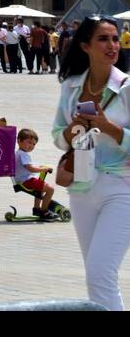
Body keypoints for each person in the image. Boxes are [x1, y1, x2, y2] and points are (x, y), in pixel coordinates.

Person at [52, 16, 130, 310]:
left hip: (122, 187)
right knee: (97, 276)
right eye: (103, 39)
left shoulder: (126, 87)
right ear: (85, 46)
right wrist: (71, 131)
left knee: (100, 273)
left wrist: (109, 127)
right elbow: (58, 135)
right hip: (82, 186)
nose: (112, 46)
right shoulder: (71, 87)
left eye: (114, 39)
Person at [13, 128, 57, 221]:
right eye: (29, 142)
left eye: (34, 144)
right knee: (50, 189)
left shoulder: (18, 153)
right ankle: (44, 211)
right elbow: (31, 168)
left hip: (21, 180)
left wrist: (41, 167)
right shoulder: (23, 154)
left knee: (39, 188)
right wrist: (45, 168)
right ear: (19, 140)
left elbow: (27, 167)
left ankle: (36, 209)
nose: (31, 146)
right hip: (26, 181)